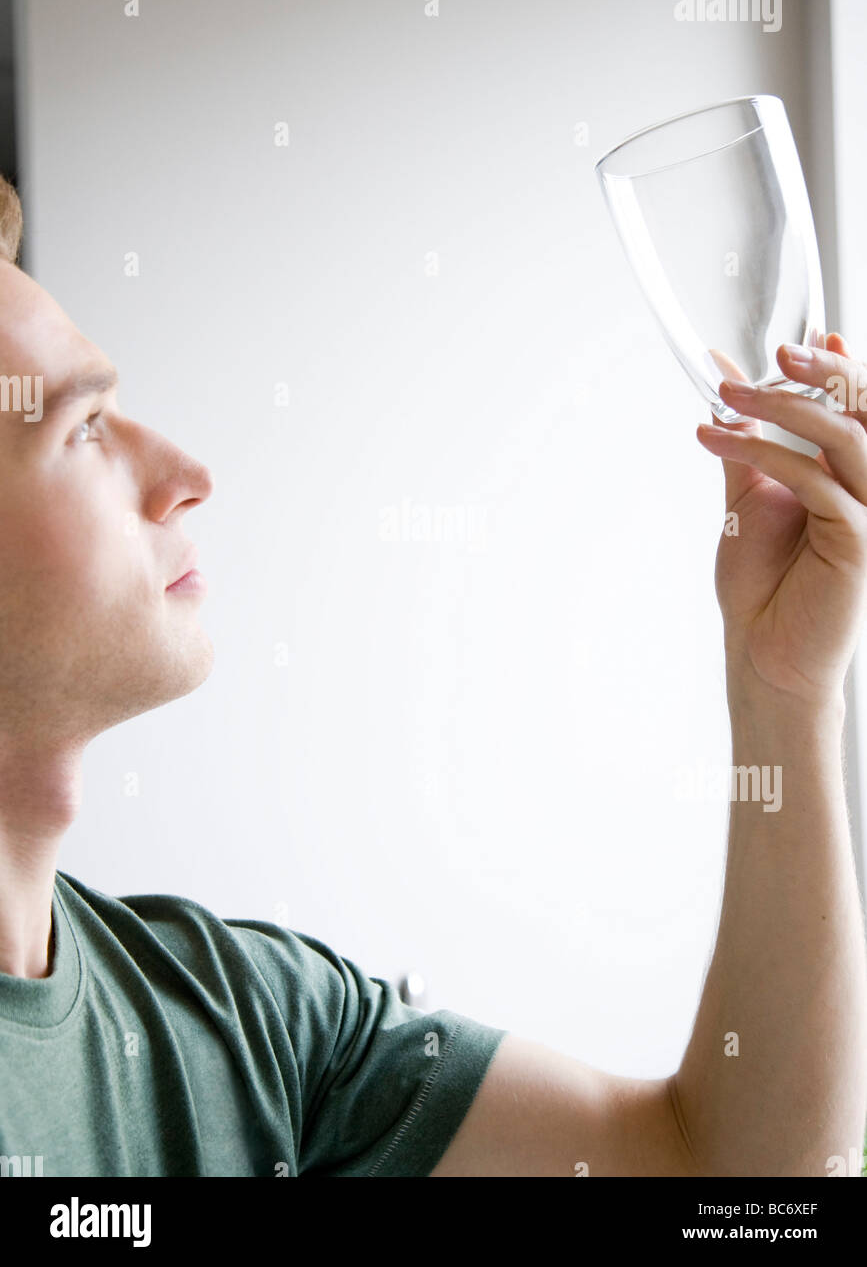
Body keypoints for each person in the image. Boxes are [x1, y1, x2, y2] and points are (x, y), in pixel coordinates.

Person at [0, 172, 865, 1177]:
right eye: (85, 428)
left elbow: (734, 1182)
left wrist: (784, 693)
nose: (188, 475)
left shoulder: (247, 1027)